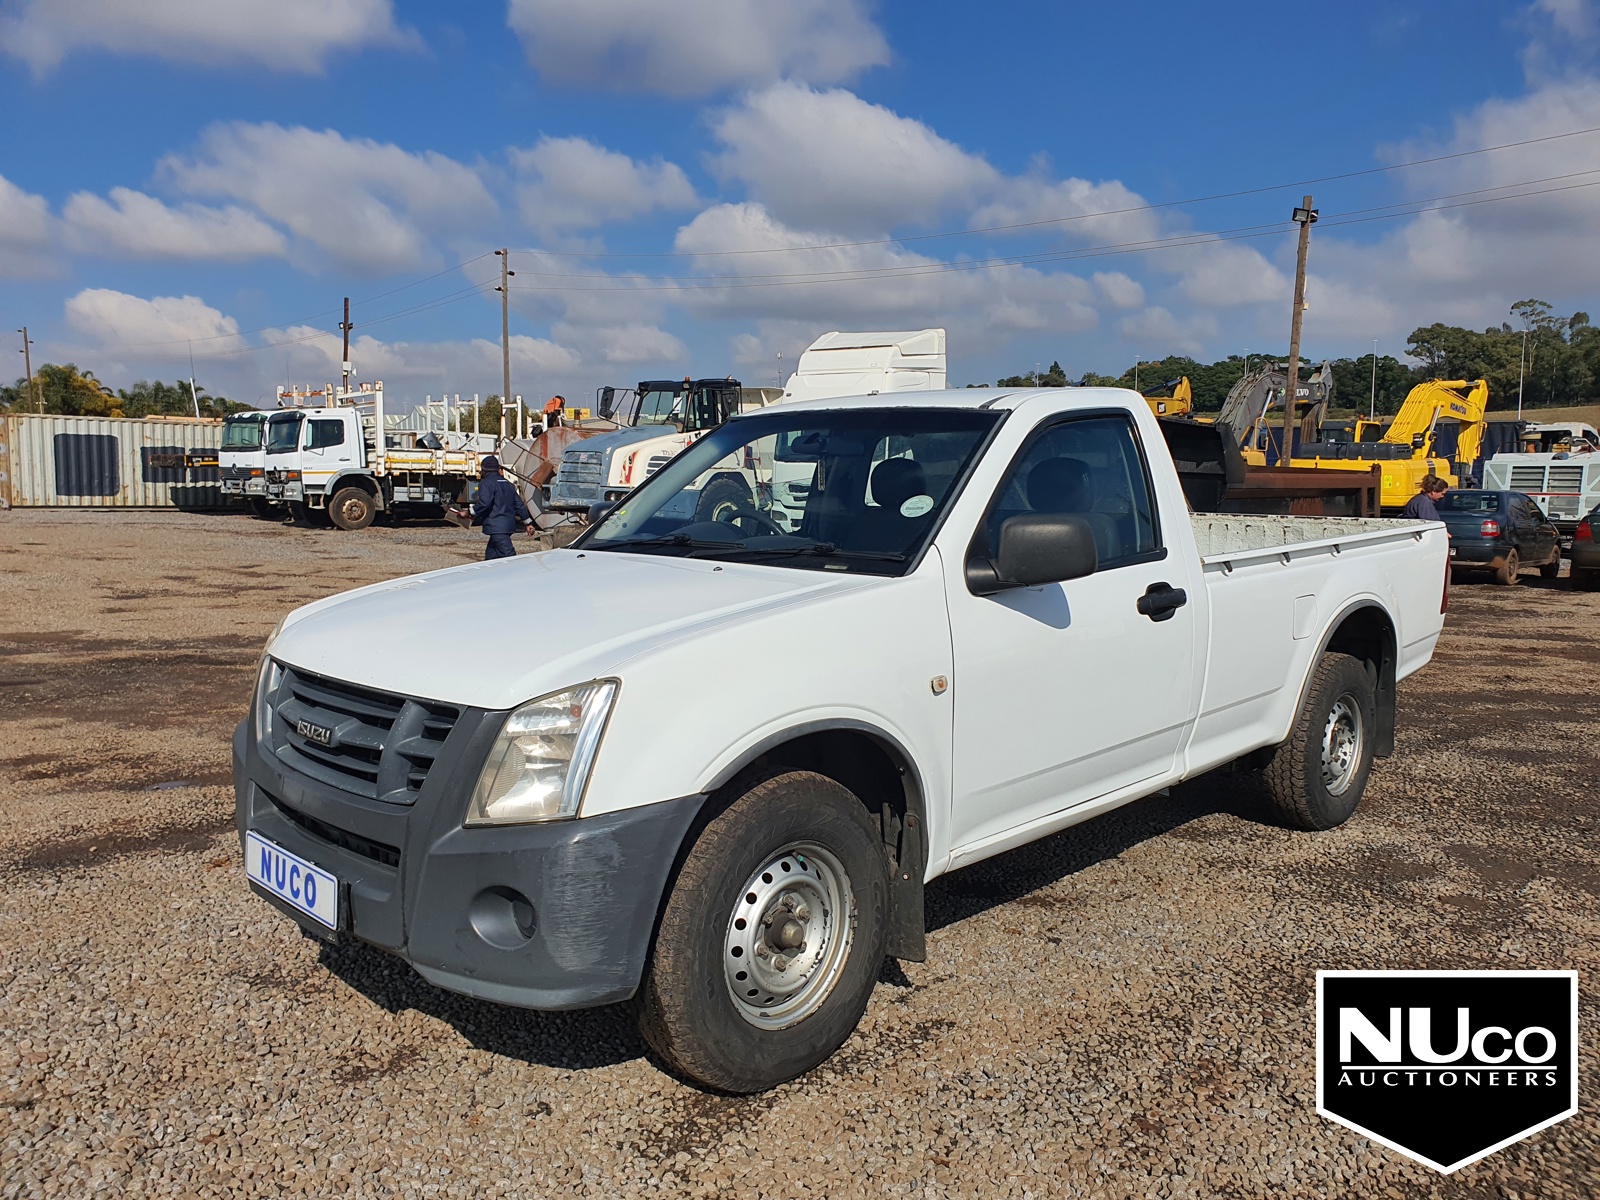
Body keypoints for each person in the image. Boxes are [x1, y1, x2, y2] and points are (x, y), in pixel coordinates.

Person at [452, 456, 535, 559]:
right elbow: (519, 505)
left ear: (485, 470)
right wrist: (528, 523)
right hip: (507, 526)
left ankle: (518, 574)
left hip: (496, 527)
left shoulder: (486, 483)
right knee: (491, 557)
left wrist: (468, 512)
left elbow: (484, 503)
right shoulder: (508, 484)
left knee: (509, 556)